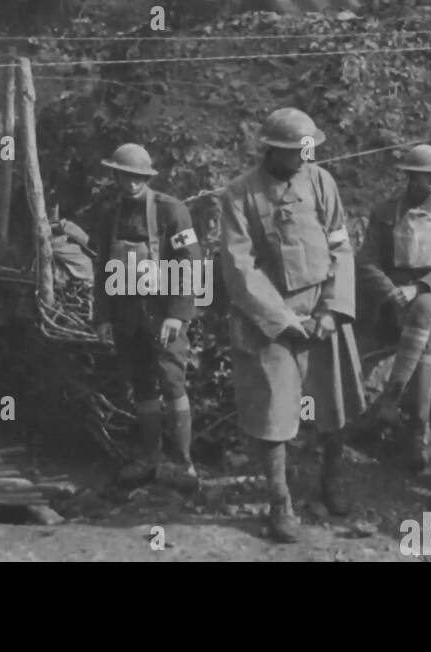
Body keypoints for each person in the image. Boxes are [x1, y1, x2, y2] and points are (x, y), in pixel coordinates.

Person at [219, 108, 367, 543]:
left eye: (307, 149)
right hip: (271, 320)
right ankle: (279, 501)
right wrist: (283, 321)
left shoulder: (321, 182)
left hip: (323, 309)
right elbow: (238, 268)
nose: (303, 156)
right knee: (275, 412)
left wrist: (331, 309)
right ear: (271, 149)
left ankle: (332, 478)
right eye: (294, 150)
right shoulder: (240, 194)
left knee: (332, 401)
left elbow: (341, 244)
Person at [91, 143, 202, 490]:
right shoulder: (109, 212)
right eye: (125, 176)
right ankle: (149, 456)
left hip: (162, 314)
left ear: (147, 177)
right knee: (141, 384)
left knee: (172, 381)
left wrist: (177, 315)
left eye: (138, 177)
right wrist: (104, 316)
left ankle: (184, 464)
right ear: (115, 175)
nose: (131, 184)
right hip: (127, 315)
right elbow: (103, 268)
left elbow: (191, 263)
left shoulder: (172, 211)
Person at [357, 144, 431, 472]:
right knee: (426, 333)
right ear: (410, 176)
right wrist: (391, 291)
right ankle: (419, 433)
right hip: (397, 302)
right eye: (425, 175)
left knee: (425, 308)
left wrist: (419, 287)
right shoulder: (386, 213)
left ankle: (393, 399)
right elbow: (366, 261)